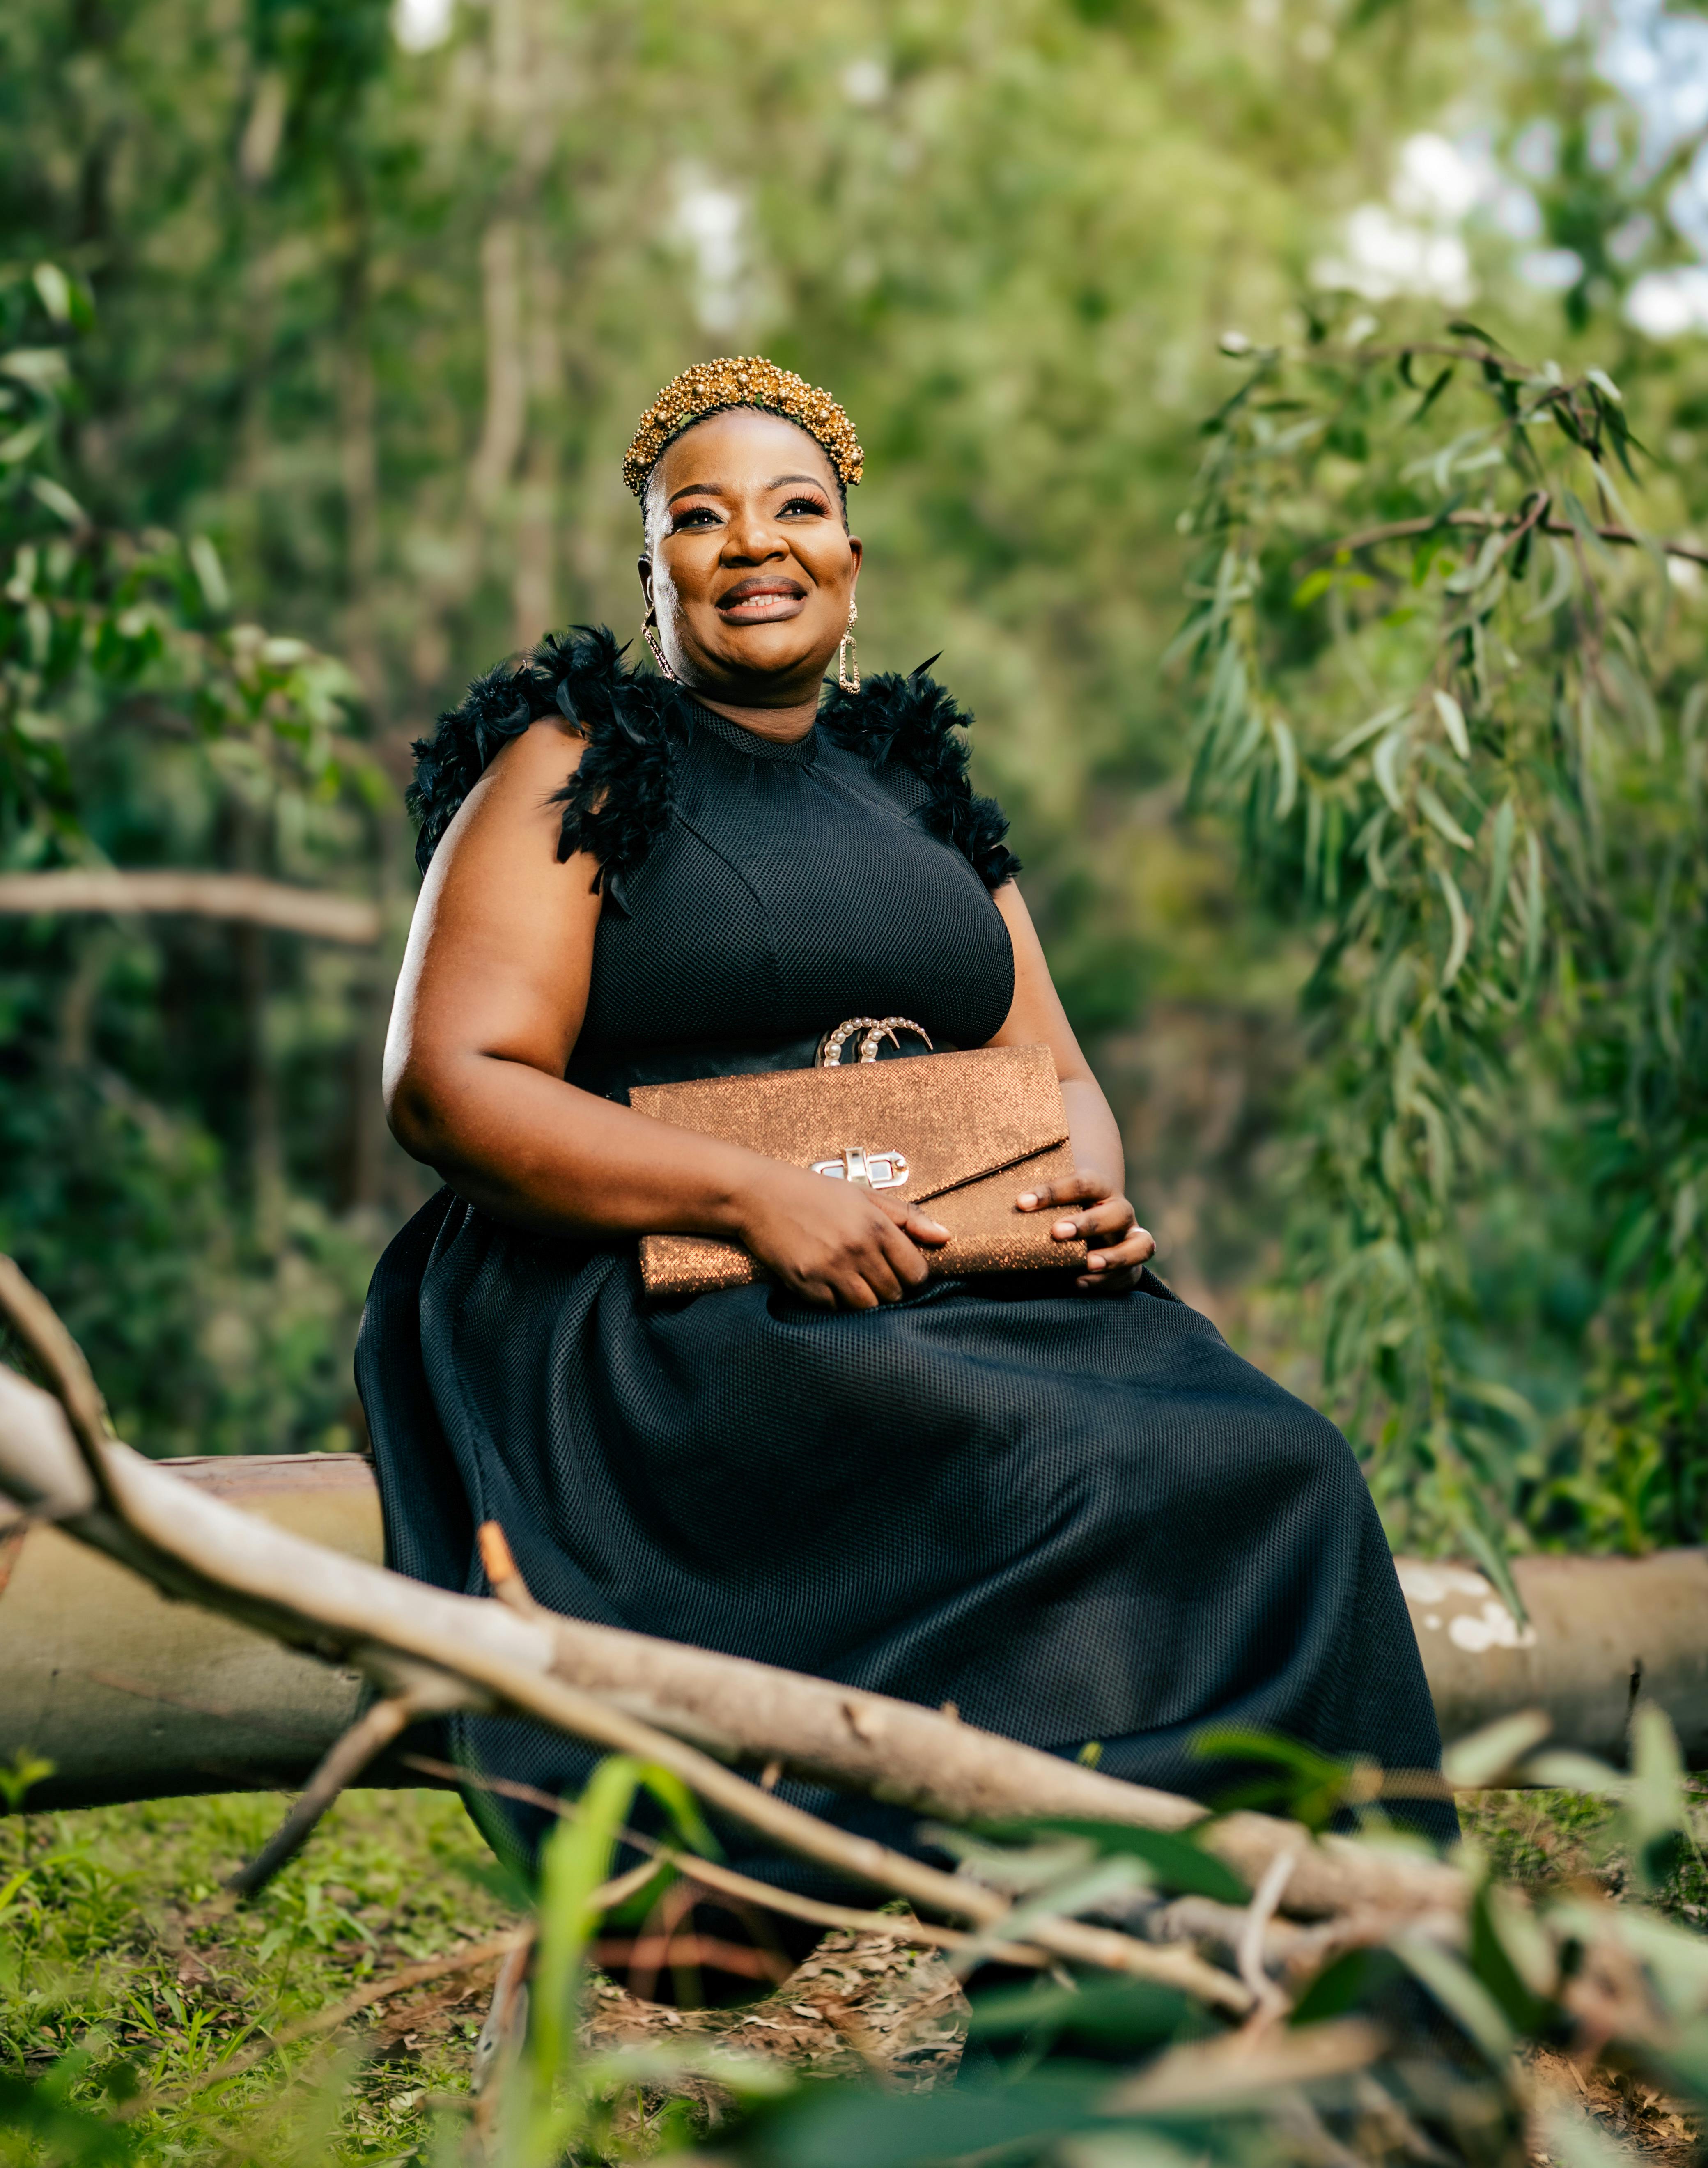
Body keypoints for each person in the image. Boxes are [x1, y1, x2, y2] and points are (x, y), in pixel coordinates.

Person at [356, 355, 1453, 1924]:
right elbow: (451, 1084)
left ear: (851, 561)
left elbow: (1053, 1070)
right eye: (701, 518)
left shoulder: (913, 781)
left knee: (1281, 1462)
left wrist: (1086, 1191)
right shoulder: (572, 757)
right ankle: (1093, 1943)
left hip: (956, 1270)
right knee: (1075, 1468)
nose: (755, 542)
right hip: (671, 1292)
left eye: (796, 509)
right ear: (651, 569)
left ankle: (1320, 1963)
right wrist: (755, 1200)